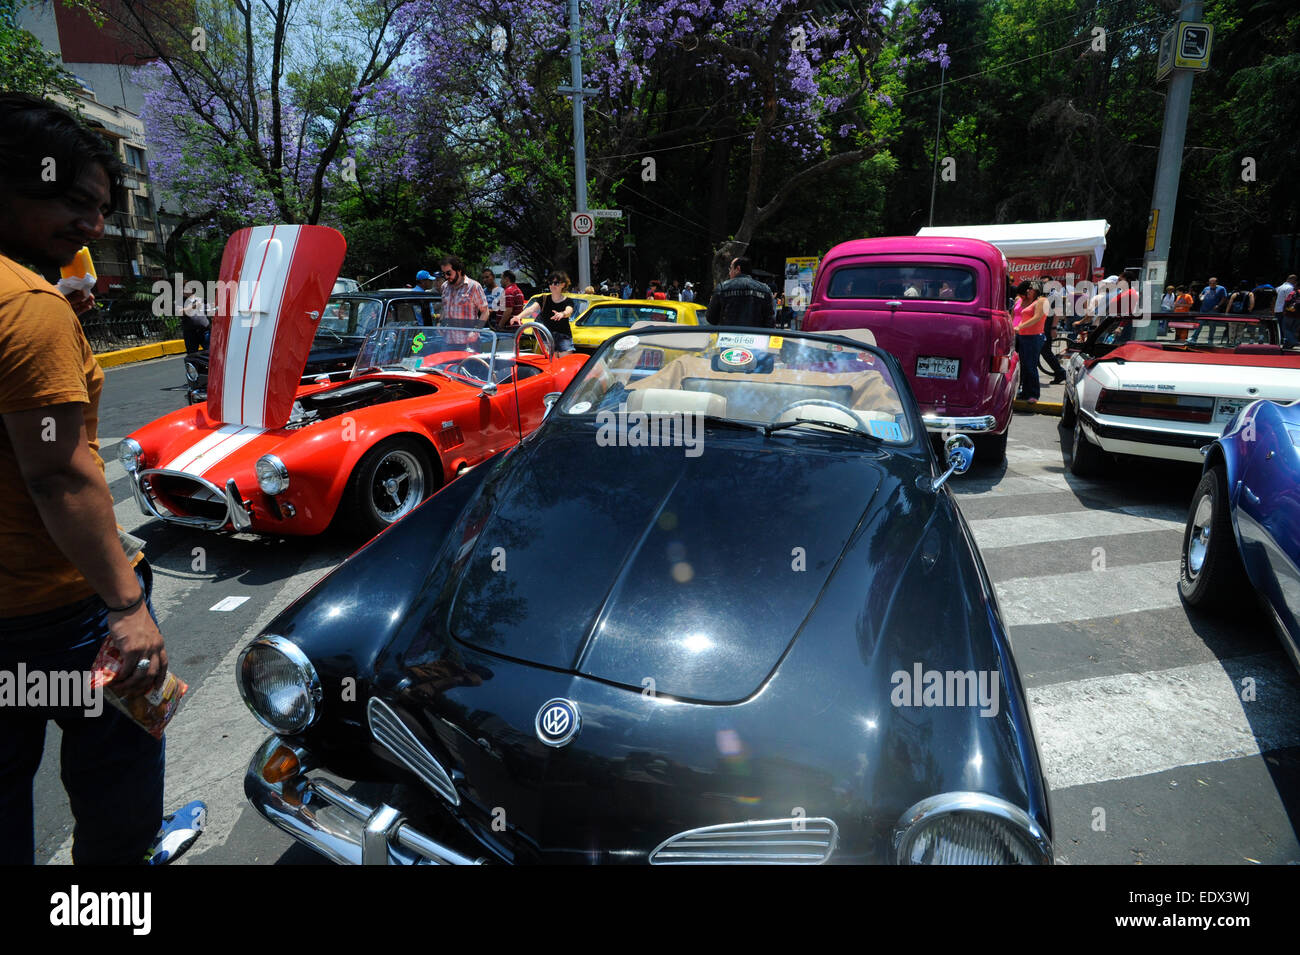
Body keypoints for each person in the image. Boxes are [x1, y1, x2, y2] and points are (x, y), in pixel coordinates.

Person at [0, 92, 202, 865]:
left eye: (101, 209)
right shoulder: (28, 307)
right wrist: (127, 606)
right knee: (117, 791)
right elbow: (58, 473)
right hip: (65, 613)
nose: (93, 227)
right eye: (75, 203)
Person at [513, 271, 577, 351]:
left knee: (565, 362)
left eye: (556, 283)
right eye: (550, 283)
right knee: (549, 362)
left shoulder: (568, 301)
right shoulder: (543, 299)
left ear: (563, 285)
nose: (552, 285)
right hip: (547, 337)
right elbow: (531, 309)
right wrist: (519, 316)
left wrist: (562, 314)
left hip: (563, 337)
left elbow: (569, 311)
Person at [707, 256, 776, 328]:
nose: (729, 273)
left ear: (738, 269)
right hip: (755, 337)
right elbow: (770, 322)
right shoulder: (765, 289)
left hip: (728, 336)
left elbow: (711, 319)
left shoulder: (722, 288)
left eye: (730, 268)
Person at [1013, 280, 1047, 404]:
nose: (1028, 290)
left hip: (1033, 337)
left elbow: (1037, 317)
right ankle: (1025, 392)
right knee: (1025, 366)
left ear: (1037, 289)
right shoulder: (1033, 302)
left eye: (1030, 288)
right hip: (1025, 336)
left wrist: (1020, 327)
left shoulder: (1042, 301)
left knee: (1031, 366)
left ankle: (1033, 394)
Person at [438, 255, 489, 330]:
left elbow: (485, 312)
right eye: (443, 273)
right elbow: (444, 308)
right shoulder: (444, 287)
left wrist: (476, 330)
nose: (446, 277)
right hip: (448, 339)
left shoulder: (474, 286)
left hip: (469, 340)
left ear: (459, 270)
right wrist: (440, 323)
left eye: (448, 273)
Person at [1038, 275, 1067, 384]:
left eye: (1046, 283)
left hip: (1047, 327)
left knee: (1045, 351)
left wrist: (1053, 327)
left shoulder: (1055, 295)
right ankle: (1059, 372)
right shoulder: (1043, 295)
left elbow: (1057, 313)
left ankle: (1060, 372)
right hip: (1040, 326)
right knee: (1043, 351)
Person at [1276, 273, 1298, 347]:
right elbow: (1289, 300)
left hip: (1277, 310)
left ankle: (1286, 343)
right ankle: (1291, 341)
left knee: (1281, 328)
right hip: (1286, 311)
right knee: (1287, 328)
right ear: (1293, 280)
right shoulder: (1290, 288)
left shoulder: (1279, 288)